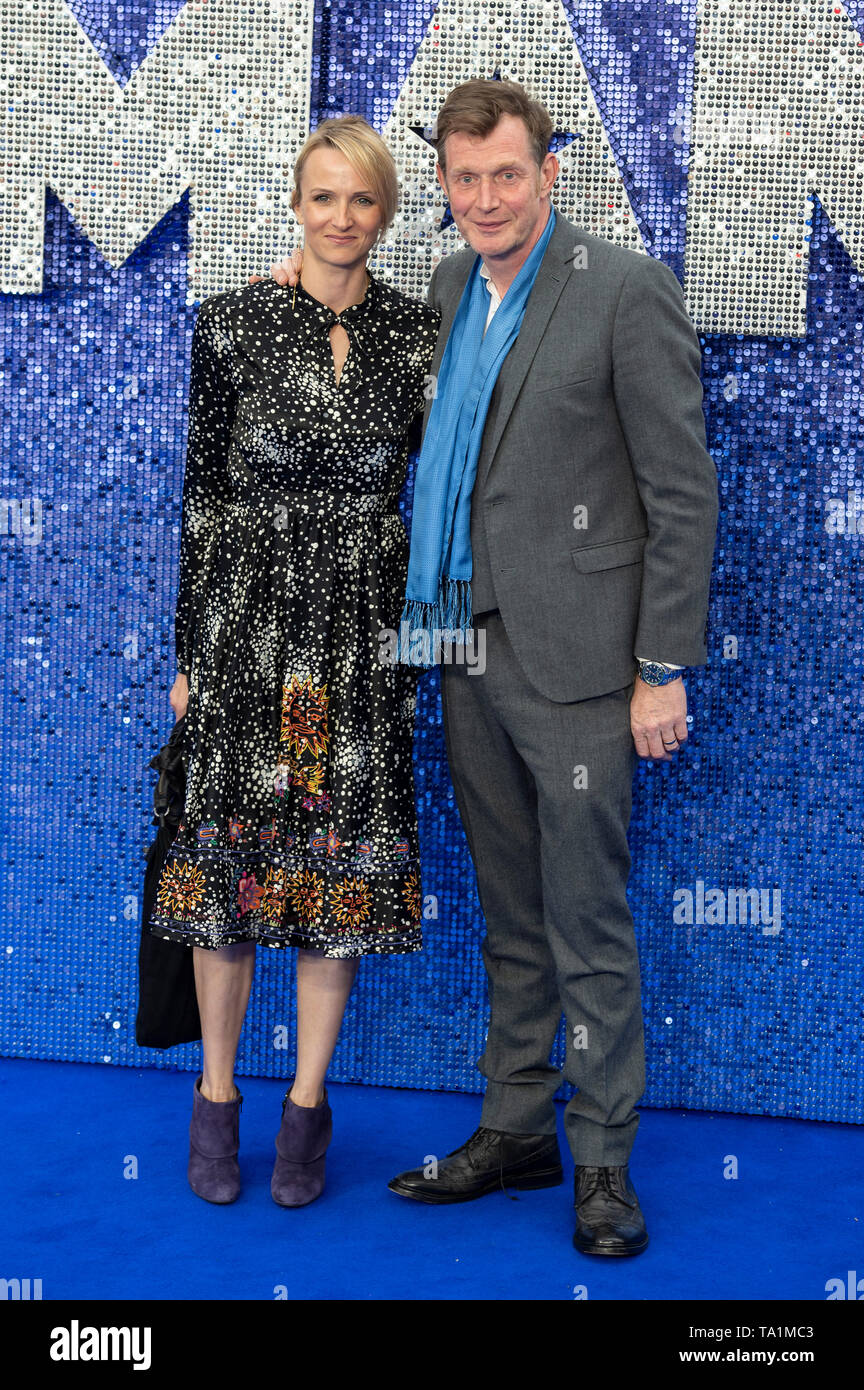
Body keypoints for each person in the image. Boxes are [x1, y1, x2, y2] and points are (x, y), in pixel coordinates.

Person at [270, 79, 718, 1255]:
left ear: (549, 172)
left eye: (506, 173)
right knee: (510, 914)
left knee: (587, 918)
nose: (484, 198)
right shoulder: (450, 284)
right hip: (461, 641)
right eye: (464, 179)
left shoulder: (623, 289)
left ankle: (606, 1161)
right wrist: (292, 298)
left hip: (580, 664)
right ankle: (518, 1129)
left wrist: (661, 665)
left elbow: (683, 493)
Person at [146, 115, 440, 1208]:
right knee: (227, 875)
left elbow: (447, 493)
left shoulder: (423, 335)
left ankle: (306, 1109)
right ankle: (216, 1100)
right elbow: (201, 497)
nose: (342, 218)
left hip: (358, 645)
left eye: (362, 199)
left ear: (386, 212)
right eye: (324, 197)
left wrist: (432, 636)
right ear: (295, 204)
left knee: (337, 874)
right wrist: (188, 653)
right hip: (244, 634)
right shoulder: (228, 324)